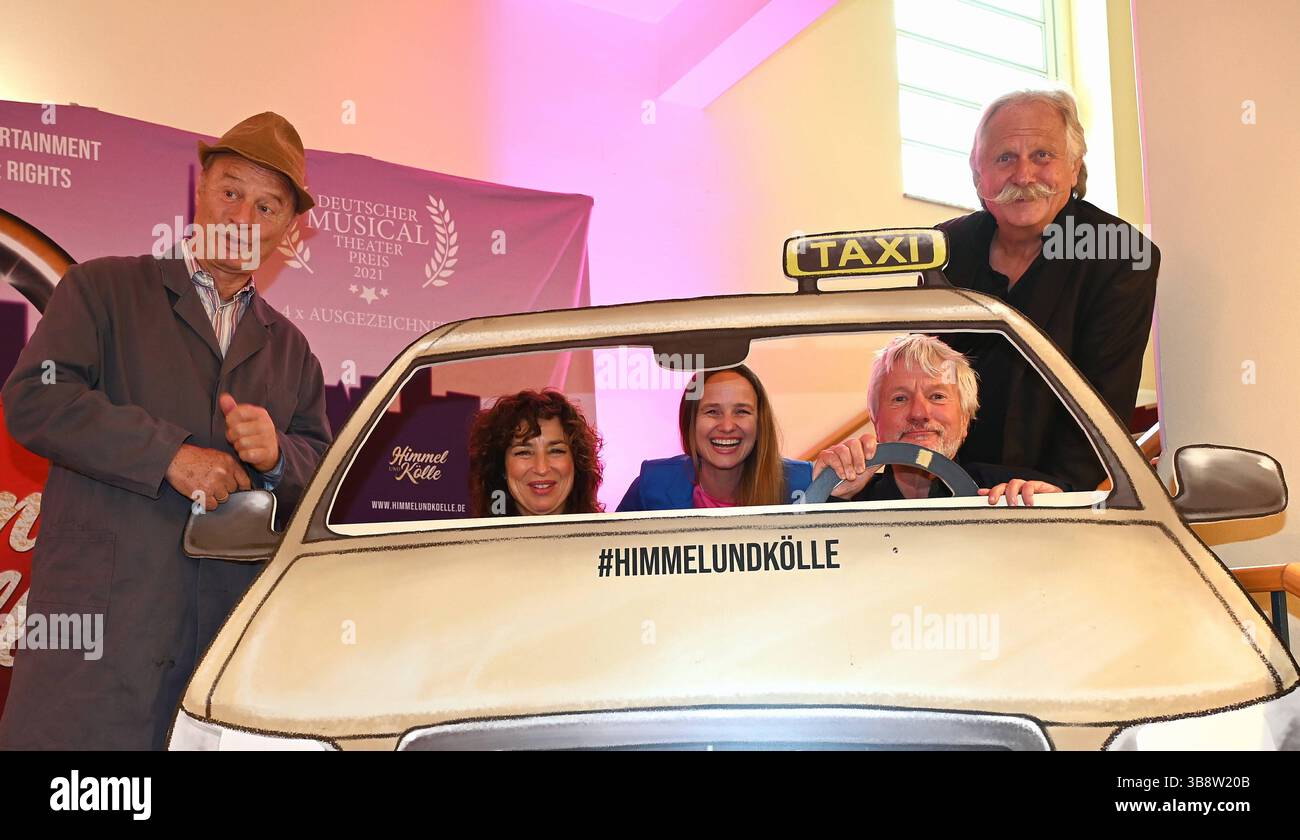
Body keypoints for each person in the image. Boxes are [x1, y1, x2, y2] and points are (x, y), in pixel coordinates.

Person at [0, 112, 332, 749]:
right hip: (98, 643)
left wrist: (279, 457)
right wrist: (169, 455)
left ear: (288, 229)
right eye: (231, 192)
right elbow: (35, 399)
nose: (242, 219)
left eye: (267, 206)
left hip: (221, 659)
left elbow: (321, 475)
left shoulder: (294, 351)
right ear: (199, 189)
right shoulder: (101, 289)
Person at [937, 89, 1159, 491]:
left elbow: (1104, 397)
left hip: (1050, 493)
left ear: (1074, 168)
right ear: (977, 176)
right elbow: (924, 375)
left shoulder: (1118, 253)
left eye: (1043, 155)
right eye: (1004, 158)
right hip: (950, 487)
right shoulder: (944, 250)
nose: (1023, 176)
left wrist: (1059, 494)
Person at [816, 335, 1064, 505]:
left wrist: (1056, 509)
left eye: (937, 396)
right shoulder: (850, 498)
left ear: (966, 419)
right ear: (875, 417)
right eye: (900, 398)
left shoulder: (1011, 493)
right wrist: (832, 497)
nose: (919, 413)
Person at [618, 365, 811, 511]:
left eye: (741, 411)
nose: (727, 426)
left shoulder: (806, 484)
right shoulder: (651, 485)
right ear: (690, 421)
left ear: (760, 422)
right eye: (712, 411)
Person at [468, 389, 603, 516]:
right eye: (524, 452)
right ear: (501, 467)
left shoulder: (608, 539)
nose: (542, 468)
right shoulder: (476, 540)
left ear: (577, 463)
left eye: (556, 451)